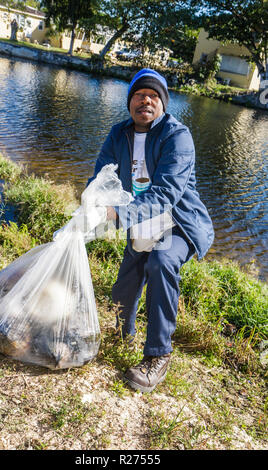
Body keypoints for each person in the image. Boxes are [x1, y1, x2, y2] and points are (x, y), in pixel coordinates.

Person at [87, 68, 214, 393]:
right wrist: (90, 201)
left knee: (160, 261)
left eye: (154, 96)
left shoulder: (177, 136)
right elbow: (101, 173)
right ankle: (120, 334)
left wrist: (117, 213)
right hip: (143, 222)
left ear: (163, 104)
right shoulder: (119, 133)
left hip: (179, 223)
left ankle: (158, 355)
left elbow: (165, 195)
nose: (146, 100)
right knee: (127, 280)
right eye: (139, 94)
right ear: (130, 101)